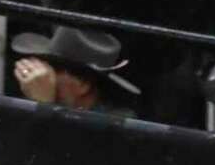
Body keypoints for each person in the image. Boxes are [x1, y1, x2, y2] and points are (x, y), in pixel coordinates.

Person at [10, 25, 140, 114]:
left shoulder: (116, 125)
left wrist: (44, 106)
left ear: (83, 84)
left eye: (54, 67)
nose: (41, 73)